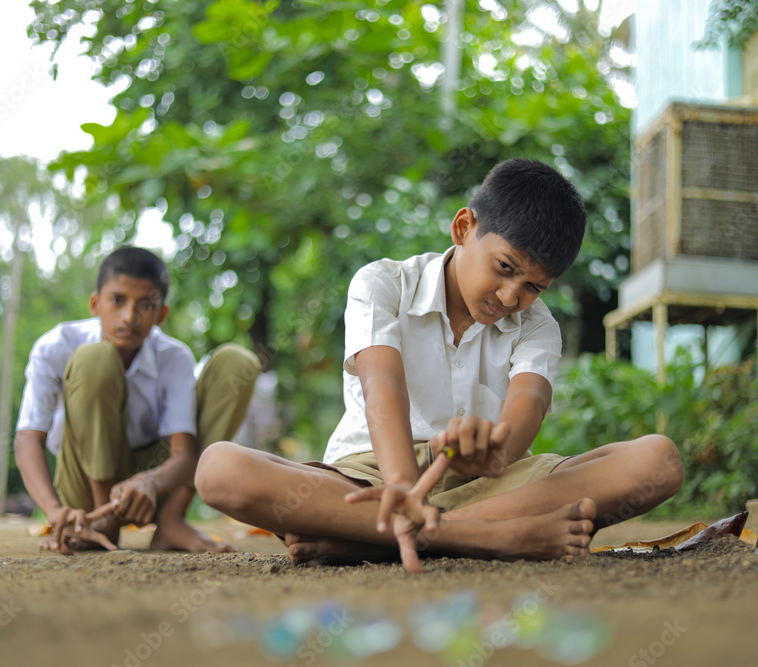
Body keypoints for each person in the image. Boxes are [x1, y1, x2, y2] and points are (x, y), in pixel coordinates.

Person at [195, 159, 683, 572]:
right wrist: (404, 488)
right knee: (220, 468)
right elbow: (381, 384)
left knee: (657, 460)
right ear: (464, 228)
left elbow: (527, 407)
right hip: (370, 478)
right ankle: (481, 539)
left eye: (534, 286)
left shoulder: (537, 325)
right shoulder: (383, 283)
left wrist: (494, 455)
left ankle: (375, 538)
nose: (513, 296)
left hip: (486, 484)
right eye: (506, 267)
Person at [14, 246, 261, 554]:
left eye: (145, 304)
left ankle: (171, 522)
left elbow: (183, 456)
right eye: (117, 300)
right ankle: (100, 521)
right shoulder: (55, 347)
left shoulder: (175, 358)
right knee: (95, 359)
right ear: (95, 303)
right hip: (84, 487)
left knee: (237, 363)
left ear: (162, 314)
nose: (130, 316)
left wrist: (150, 482)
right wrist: (53, 511)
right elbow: (27, 441)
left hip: (155, 485)